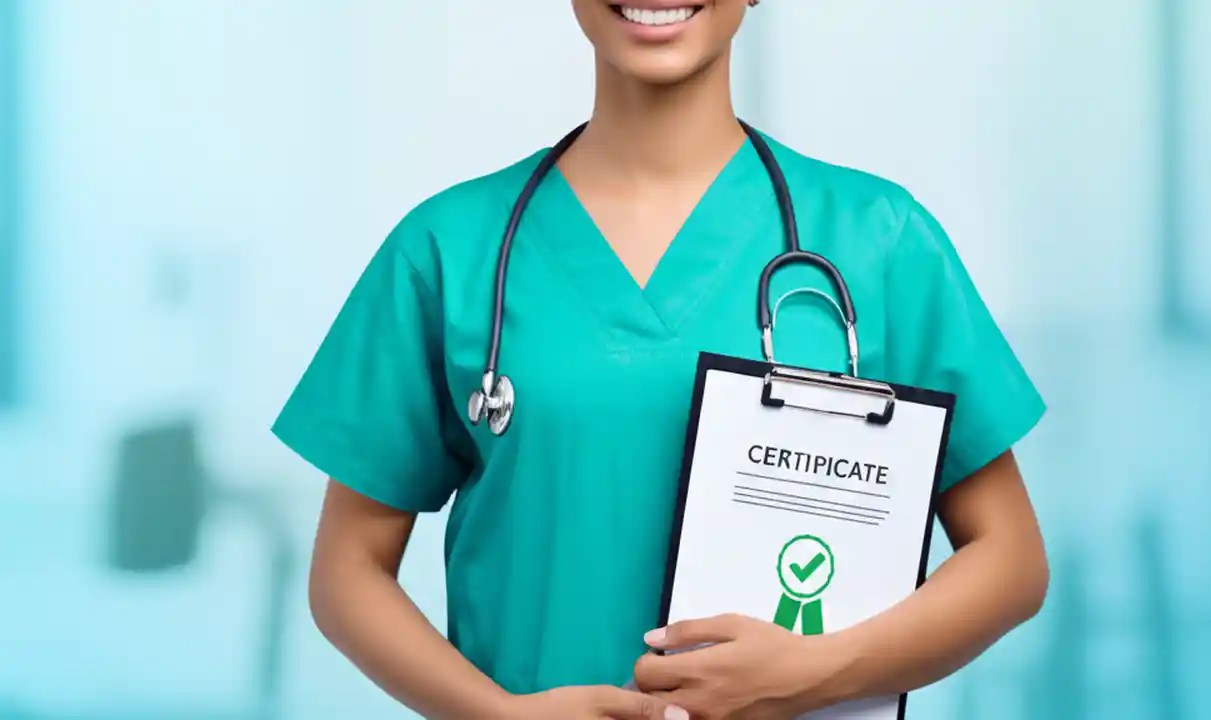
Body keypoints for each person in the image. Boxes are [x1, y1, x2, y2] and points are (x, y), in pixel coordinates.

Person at [272, 1, 1049, 718]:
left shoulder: (878, 240)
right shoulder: (448, 250)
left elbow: (1010, 560)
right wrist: (500, 716)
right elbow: (347, 573)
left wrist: (815, 670)